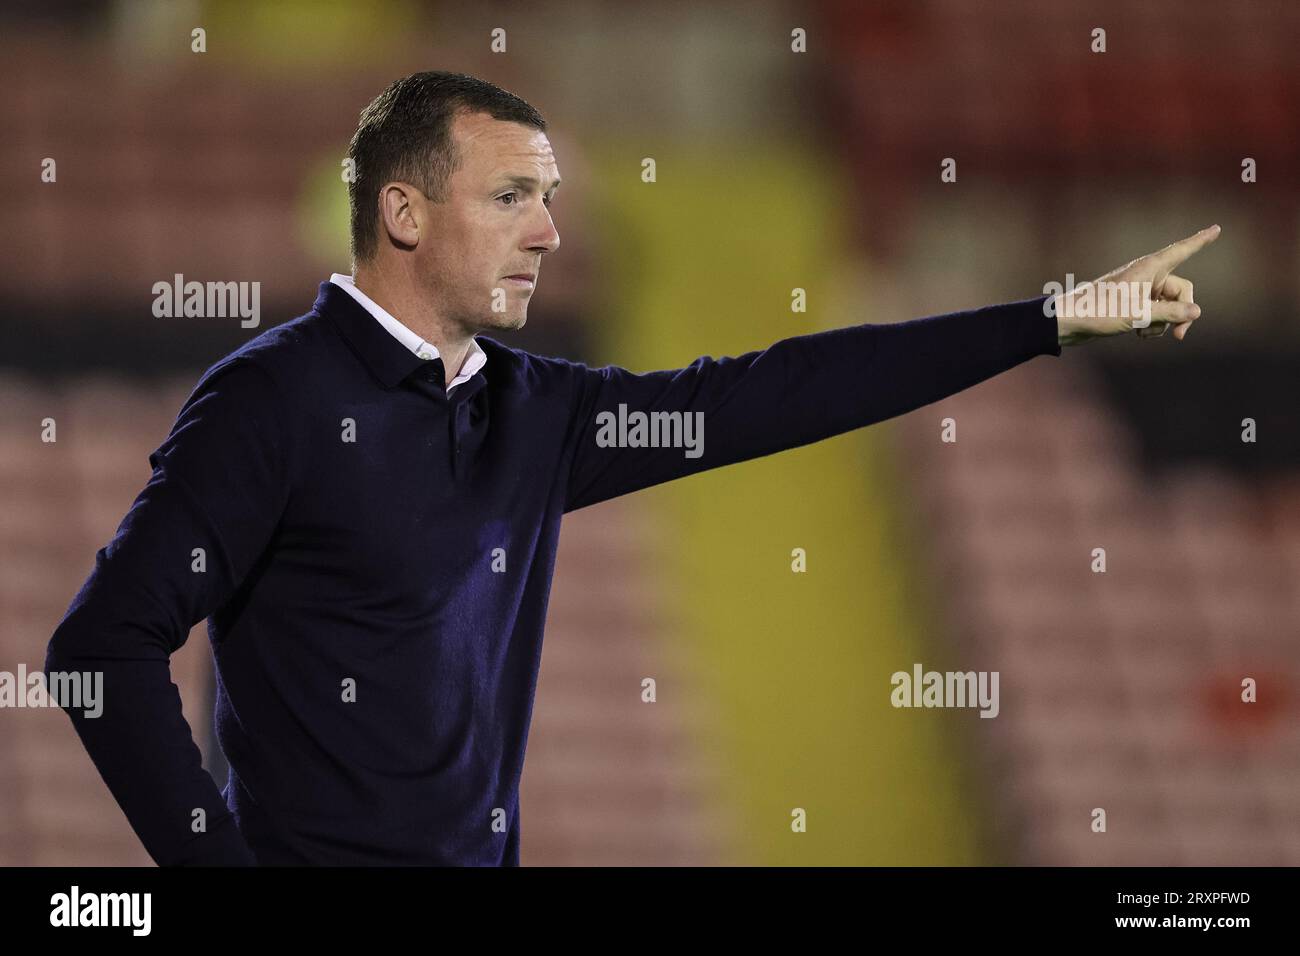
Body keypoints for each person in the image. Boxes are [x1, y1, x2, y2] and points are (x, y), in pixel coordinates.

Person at [44, 70, 1220, 865]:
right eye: (512, 196)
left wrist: (1048, 318)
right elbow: (99, 644)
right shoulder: (273, 398)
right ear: (402, 212)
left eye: (551, 200)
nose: (551, 230)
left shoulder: (534, 409)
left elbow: (780, 391)